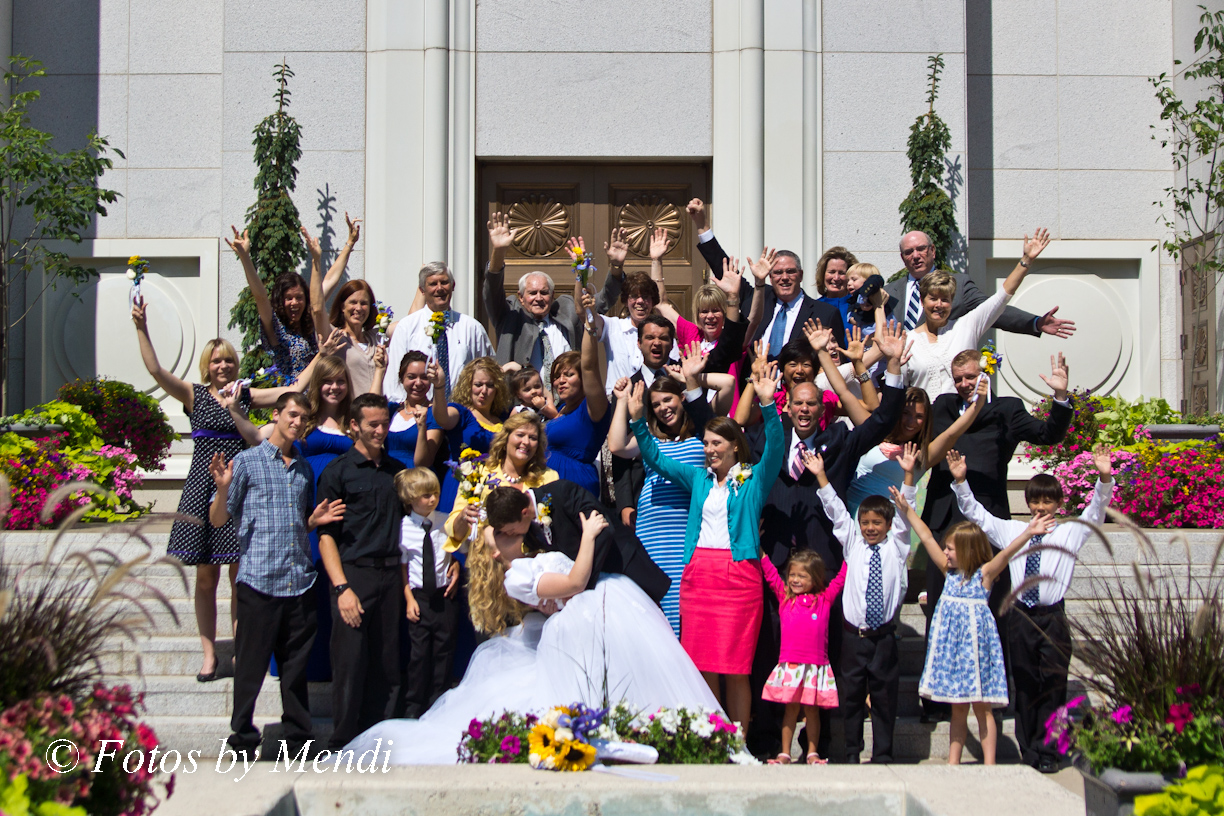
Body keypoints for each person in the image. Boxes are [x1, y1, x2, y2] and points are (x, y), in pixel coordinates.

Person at [342, 486, 715, 764]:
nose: (514, 538)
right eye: (506, 536)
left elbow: (598, 539)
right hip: (582, 599)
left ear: (524, 512)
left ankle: (637, 727)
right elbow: (572, 581)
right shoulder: (518, 572)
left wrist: (583, 578)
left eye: (513, 532)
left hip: (608, 581)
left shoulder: (550, 510)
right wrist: (580, 580)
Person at [131, 297, 310, 682]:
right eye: (216, 360)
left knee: (238, 575)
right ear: (206, 366)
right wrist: (141, 327)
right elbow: (155, 369)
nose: (223, 365)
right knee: (206, 577)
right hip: (201, 488)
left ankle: (241, 651)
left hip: (239, 486)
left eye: (228, 359)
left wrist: (322, 353)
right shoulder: (193, 394)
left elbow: (294, 387)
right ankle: (209, 654)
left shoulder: (245, 395)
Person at [628, 362, 784, 729]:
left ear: (734, 446)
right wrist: (638, 419)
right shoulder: (698, 478)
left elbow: (775, 448)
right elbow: (654, 457)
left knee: (736, 668)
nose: (709, 450)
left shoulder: (753, 480)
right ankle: (711, 737)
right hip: (698, 577)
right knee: (702, 666)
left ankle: (739, 741)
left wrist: (768, 406)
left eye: (716, 443)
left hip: (739, 578)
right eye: (707, 444)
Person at [947, 445, 1114, 773]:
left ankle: (1049, 751)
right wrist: (960, 482)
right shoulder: (1013, 530)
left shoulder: (1070, 532)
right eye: (1035, 501)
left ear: (1058, 503)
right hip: (1021, 617)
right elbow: (977, 514)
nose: (1040, 507)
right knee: (1023, 685)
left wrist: (1104, 476)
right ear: (1028, 502)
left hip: (1052, 618)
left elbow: (1096, 511)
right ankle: (1029, 751)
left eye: (1047, 501)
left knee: (1053, 688)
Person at [206, 393, 346, 760]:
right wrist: (221, 489)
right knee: (250, 666)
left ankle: (298, 737)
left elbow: (295, 522)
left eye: (303, 418)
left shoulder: (302, 469)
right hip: (259, 581)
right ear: (276, 415)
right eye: (292, 415)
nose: (298, 422)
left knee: (295, 668)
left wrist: (312, 522)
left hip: (298, 580)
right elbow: (218, 519)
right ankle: (243, 737)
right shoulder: (247, 463)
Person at [898, 490, 1056, 765]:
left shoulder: (984, 575)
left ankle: (990, 763)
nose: (945, 552)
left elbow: (1007, 552)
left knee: (984, 712)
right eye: (945, 548)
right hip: (955, 656)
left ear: (967, 551)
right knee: (958, 712)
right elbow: (925, 536)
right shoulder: (948, 574)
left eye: (950, 548)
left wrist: (1030, 532)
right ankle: (953, 762)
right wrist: (907, 509)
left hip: (978, 654)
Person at [807, 449, 917, 765]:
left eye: (876, 523)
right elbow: (837, 512)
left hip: (883, 638)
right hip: (853, 639)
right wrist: (821, 476)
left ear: (887, 524)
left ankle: (882, 754)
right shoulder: (853, 542)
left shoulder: (897, 545)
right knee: (851, 698)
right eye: (866, 522)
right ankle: (853, 752)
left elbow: (904, 511)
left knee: (884, 699)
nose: (870, 528)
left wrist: (908, 475)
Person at [316, 393, 408, 750]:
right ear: (353, 425)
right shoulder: (337, 472)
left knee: (388, 664)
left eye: (385, 423)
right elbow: (327, 538)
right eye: (373, 424)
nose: (381, 430)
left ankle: (381, 742)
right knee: (350, 663)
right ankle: (343, 744)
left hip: (390, 577)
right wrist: (342, 589)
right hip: (353, 575)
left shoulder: (396, 473)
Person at [607, 375, 707, 636]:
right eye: (656, 404)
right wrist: (622, 401)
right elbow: (616, 445)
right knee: (653, 601)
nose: (664, 407)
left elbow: (727, 386)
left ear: (681, 398)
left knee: (681, 600)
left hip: (684, 530)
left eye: (668, 399)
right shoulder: (650, 437)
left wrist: (691, 377)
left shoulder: (701, 435)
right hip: (651, 530)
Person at [902, 229, 1050, 398]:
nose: (939, 305)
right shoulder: (908, 341)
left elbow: (1000, 298)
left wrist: (1026, 260)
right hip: (925, 423)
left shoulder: (966, 325)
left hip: (968, 418)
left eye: (945, 299)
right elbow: (899, 390)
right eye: (933, 299)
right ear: (922, 301)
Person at [686, 197, 846, 351]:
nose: (784, 278)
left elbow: (838, 359)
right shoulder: (757, 298)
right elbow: (722, 267)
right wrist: (702, 226)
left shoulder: (824, 313)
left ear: (801, 275)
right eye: (777, 272)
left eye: (790, 272)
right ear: (770, 277)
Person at [483, 211, 622, 370]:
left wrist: (616, 267)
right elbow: (491, 290)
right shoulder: (510, 314)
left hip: (565, 392)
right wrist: (499, 251)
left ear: (552, 295)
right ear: (521, 297)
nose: (539, 298)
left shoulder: (567, 308)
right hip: (522, 393)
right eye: (532, 293)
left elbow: (604, 299)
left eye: (544, 292)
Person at [884, 229, 1076, 339]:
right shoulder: (888, 292)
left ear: (932, 251)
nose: (915, 256)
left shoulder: (958, 284)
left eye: (921, 249)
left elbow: (994, 309)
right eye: (909, 252)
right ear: (903, 258)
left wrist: (1035, 322)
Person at [846, 378, 988, 518]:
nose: (911, 421)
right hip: (850, 515)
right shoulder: (874, 433)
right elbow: (845, 395)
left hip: (884, 525)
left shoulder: (922, 455)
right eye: (906, 413)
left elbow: (952, 434)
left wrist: (978, 404)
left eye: (919, 416)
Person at [760, 549, 848, 765]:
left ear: (815, 578)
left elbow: (841, 578)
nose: (795, 580)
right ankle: (785, 753)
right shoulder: (785, 597)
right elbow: (771, 574)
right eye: (792, 575)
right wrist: (761, 553)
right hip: (791, 666)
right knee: (790, 709)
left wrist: (852, 552)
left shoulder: (824, 600)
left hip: (815, 667)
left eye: (802, 576)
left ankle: (812, 753)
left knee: (812, 711)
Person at [227, 225, 346, 384]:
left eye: (299, 297)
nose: (294, 302)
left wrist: (349, 244)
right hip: (290, 400)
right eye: (288, 298)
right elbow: (260, 296)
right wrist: (245, 258)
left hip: (318, 398)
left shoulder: (311, 318)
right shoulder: (275, 326)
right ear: (279, 301)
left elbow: (330, 281)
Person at [395, 467, 461, 718]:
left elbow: (452, 551)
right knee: (419, 655)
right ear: (410, 498)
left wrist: (455, 566)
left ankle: (439, 705)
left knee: (444, 651)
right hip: (419, 597)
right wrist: (409, 598)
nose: (432, 499)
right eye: (425, 496)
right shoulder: (403, 528)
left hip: (444, 596)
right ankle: (414, 706)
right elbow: (403, 567)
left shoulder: (444, 521)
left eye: (434, 493)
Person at [444, 410, 560, 547]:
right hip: (486, 558)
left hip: (530, 560)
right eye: (520, 435)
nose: (526, 442)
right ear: (506, 438)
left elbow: (555, 528)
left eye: (533, 438)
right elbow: (454, 533)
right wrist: (464, 517)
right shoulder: (478, 472)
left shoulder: (549, 477)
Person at [383, 262, 494, 402]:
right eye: (433, 284)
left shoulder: (472, 327)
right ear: (422, 290)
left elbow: (488, 371)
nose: (439, 288)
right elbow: (394, 377)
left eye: (444, 282)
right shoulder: (407, 327)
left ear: (453, 286)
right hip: (420, 412)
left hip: (462, 412)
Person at [430, 357, 512, 513]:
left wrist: (517, 368)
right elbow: (442, 418)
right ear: (468, 386)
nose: (484, 391)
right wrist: (439, 387)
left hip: (493, 486)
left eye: (490, 385)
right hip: (461, 485)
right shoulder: (461, 413)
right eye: (478, 385)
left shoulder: (503, 417)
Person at [542, 321, 610, 496]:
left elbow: (590, 366)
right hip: (549, 490)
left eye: (569, 374)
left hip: (576, 487)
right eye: (556, 377)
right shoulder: (561, 410)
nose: (560, 381)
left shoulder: (590, 409)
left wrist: (589, 323)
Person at [386, 352, 444, 470]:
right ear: (402, 379)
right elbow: (368, 408)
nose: (418, 383)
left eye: (424, 377)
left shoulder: (434, 414)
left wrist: (422, 427)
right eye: (411, 377)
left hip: (415, 479)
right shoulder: (391, 409)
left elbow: (424, 461)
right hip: (387, 476)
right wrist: (379, 370)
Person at [814, 246, 858, 325]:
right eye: (831, 272)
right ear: (823, 274)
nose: (836, 278)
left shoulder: (860, 307)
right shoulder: (813, 308)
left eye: (841, 273)